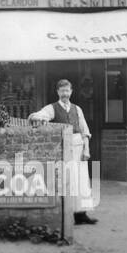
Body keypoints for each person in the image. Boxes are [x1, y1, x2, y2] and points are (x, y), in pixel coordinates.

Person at [29, 79, 97, 225]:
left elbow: (85, 131)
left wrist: (87, 149)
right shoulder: (52, 108)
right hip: (65, 148)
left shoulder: (77, 109)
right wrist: (36, 117)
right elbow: (39, 115)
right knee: (69, 179)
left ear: (71, 92)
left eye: (67, 91)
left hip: (79, 147)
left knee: (82, 180)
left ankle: (82, 215)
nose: (65, 94)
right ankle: (68, 214)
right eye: (62, 91)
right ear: (58, 92)